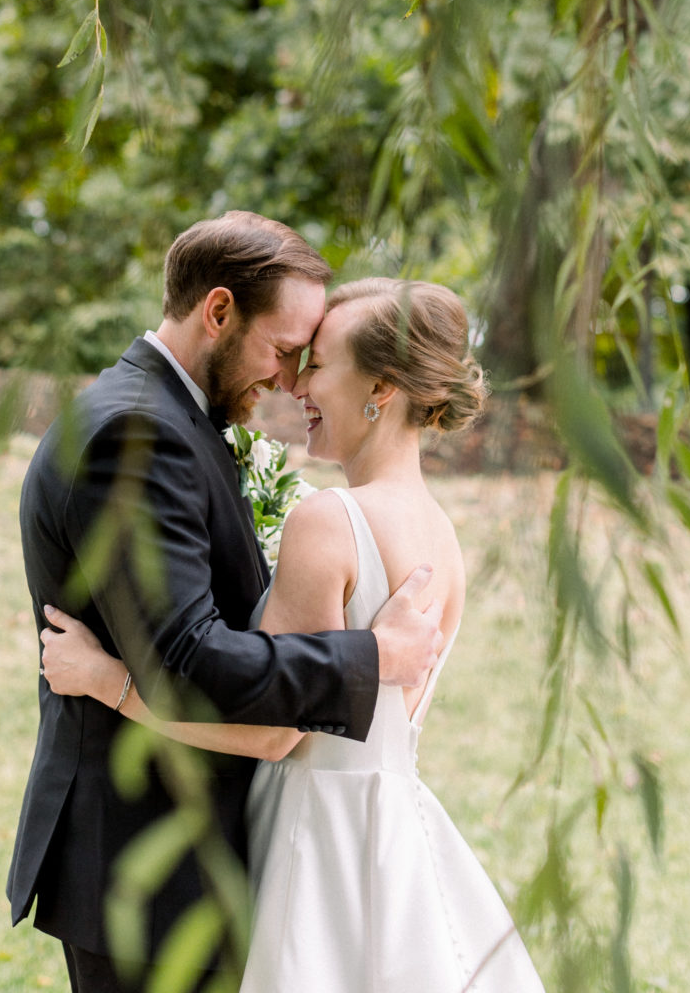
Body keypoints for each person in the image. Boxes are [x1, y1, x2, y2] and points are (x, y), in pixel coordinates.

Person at [42, 276, 546, 992]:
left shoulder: (330, 521)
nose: (294, 384)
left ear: (383, 386)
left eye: (317, 363)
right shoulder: (441, 534)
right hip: (391, 837)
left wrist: (105, 680)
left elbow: (274, 735)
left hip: (315, 839)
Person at [7, 216, 445, 993]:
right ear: (218, 312)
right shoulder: (135, 434)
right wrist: (371, 656)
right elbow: (188, 658)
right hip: (146, 865)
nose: (288, 381)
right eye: (282, 350)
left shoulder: (169, 419)